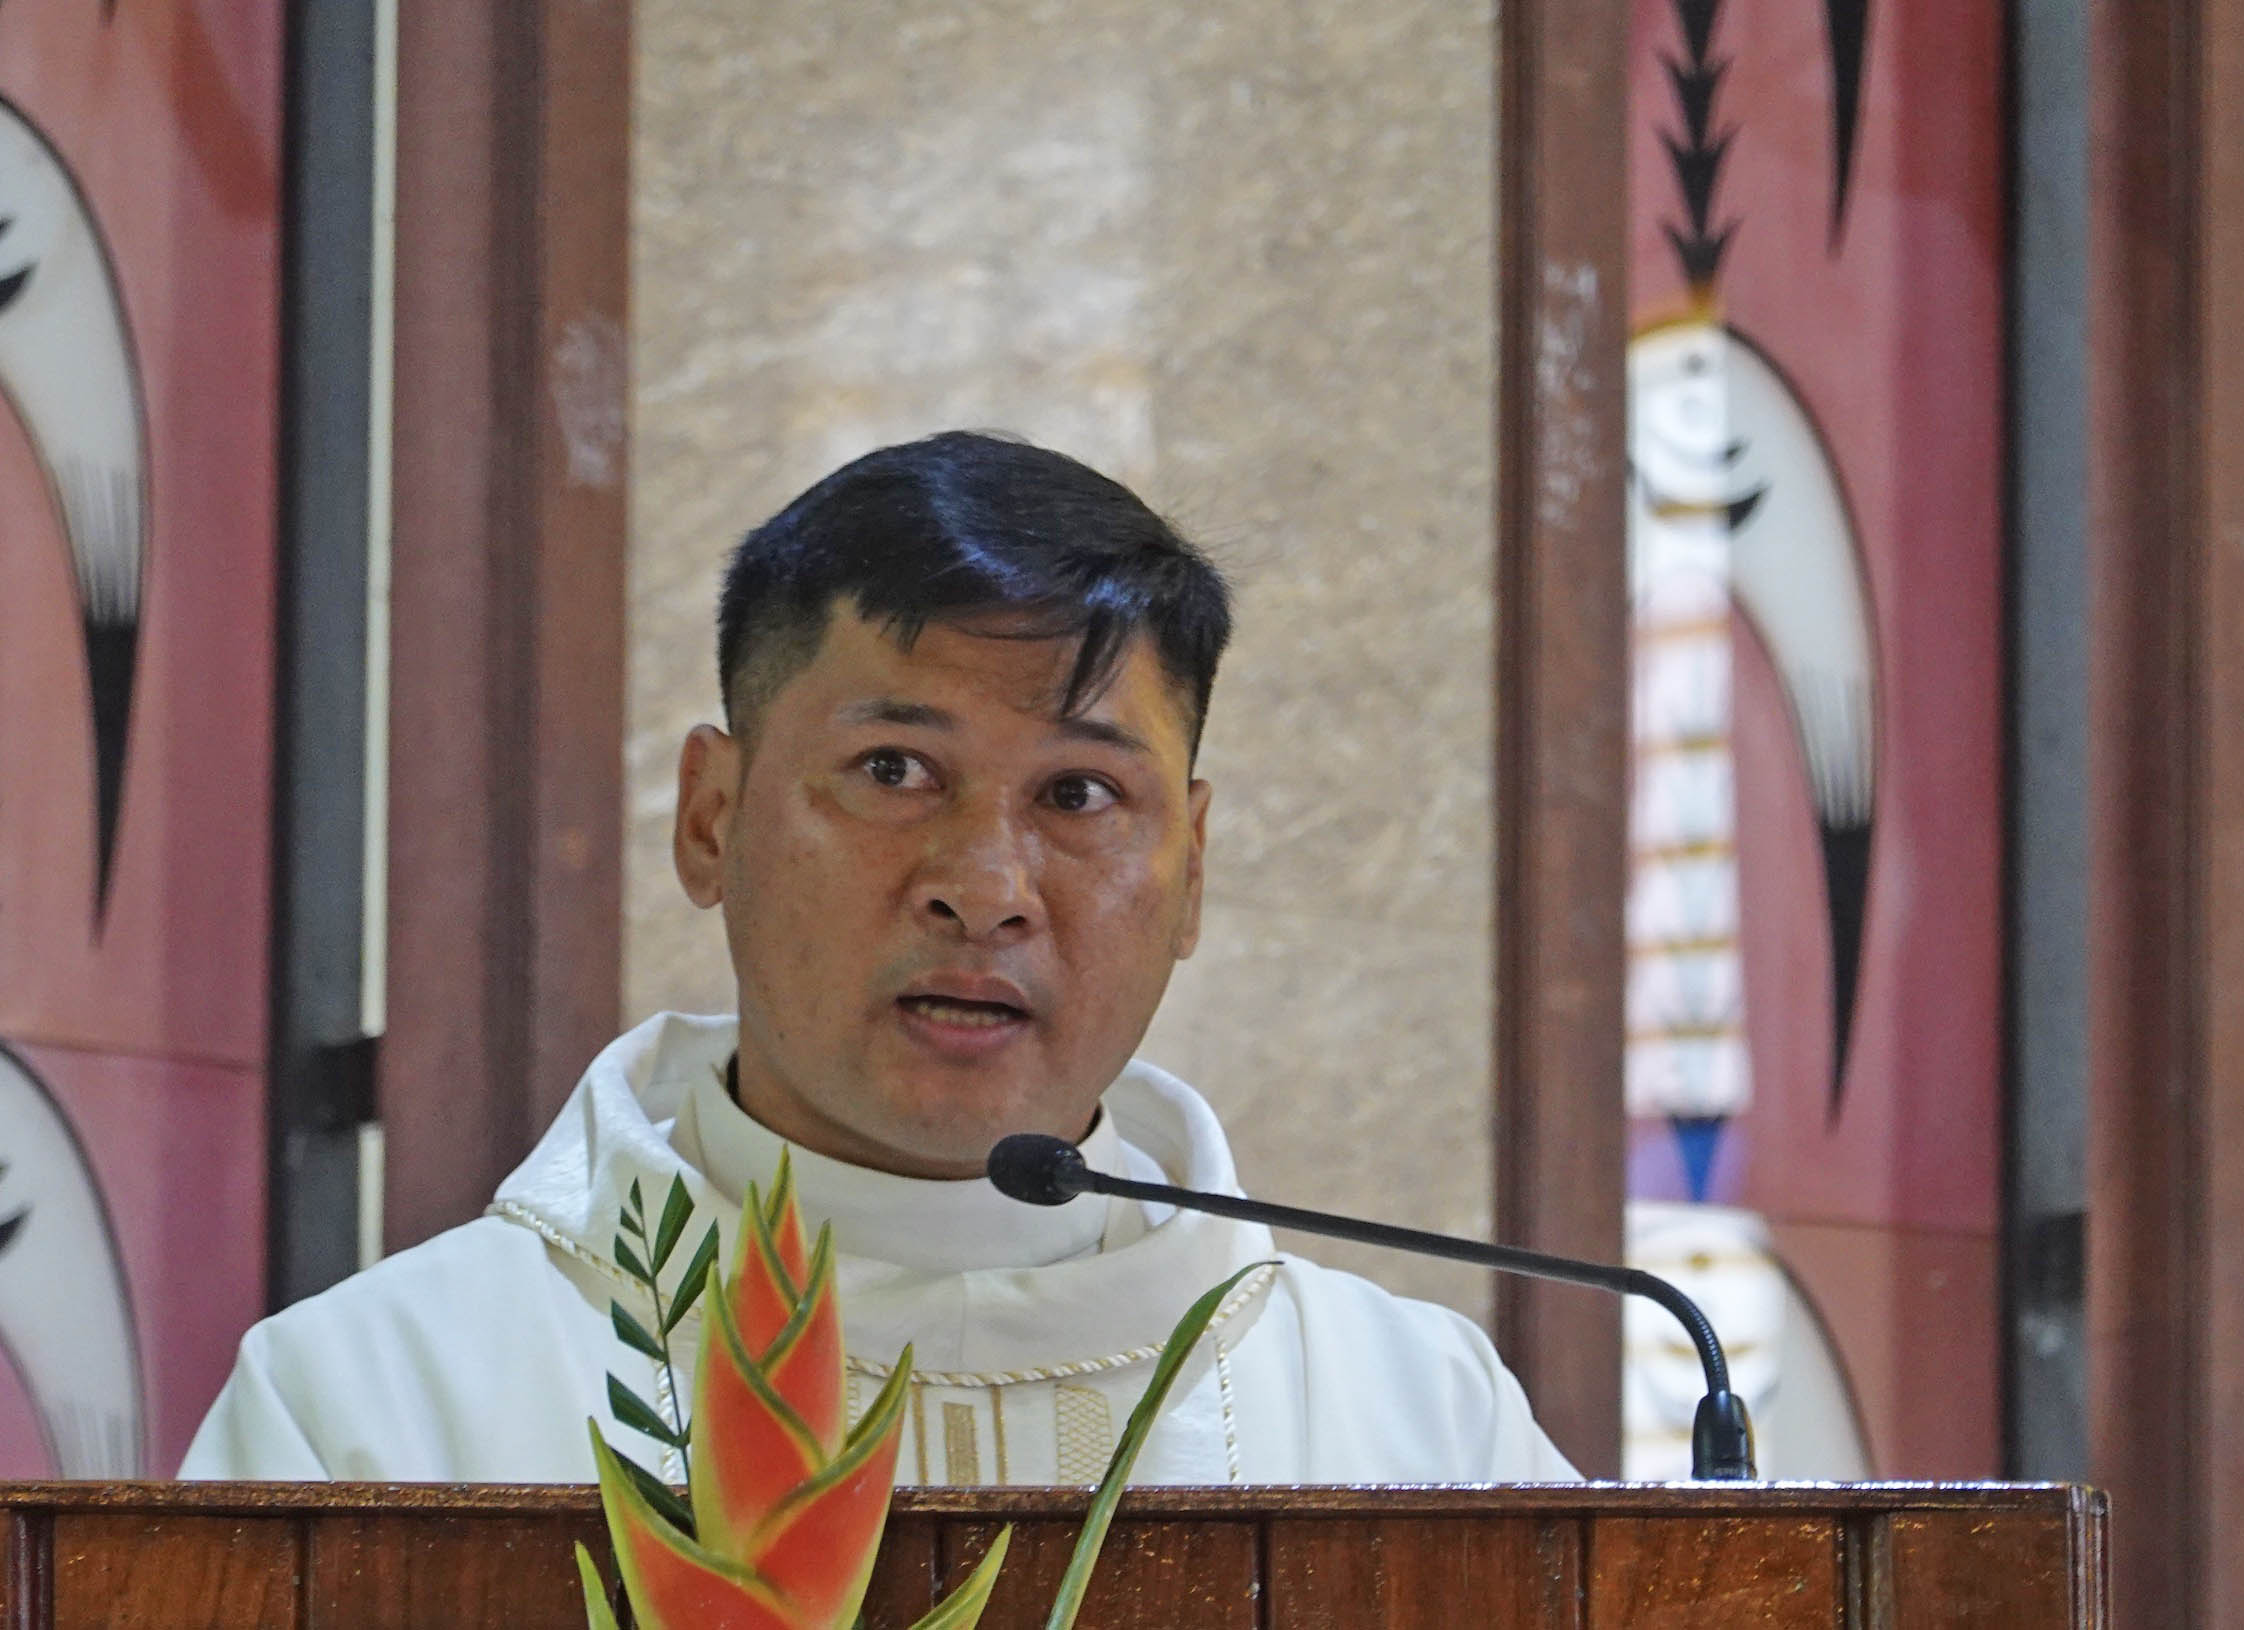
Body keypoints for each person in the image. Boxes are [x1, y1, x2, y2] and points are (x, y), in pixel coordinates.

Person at [181, 432, 1579, 1486]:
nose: (983, 889)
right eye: (892, 768)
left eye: (1078, 795)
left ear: (1192, 866)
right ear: (713, 819)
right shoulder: (378, 1411)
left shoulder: (1418, 1426)